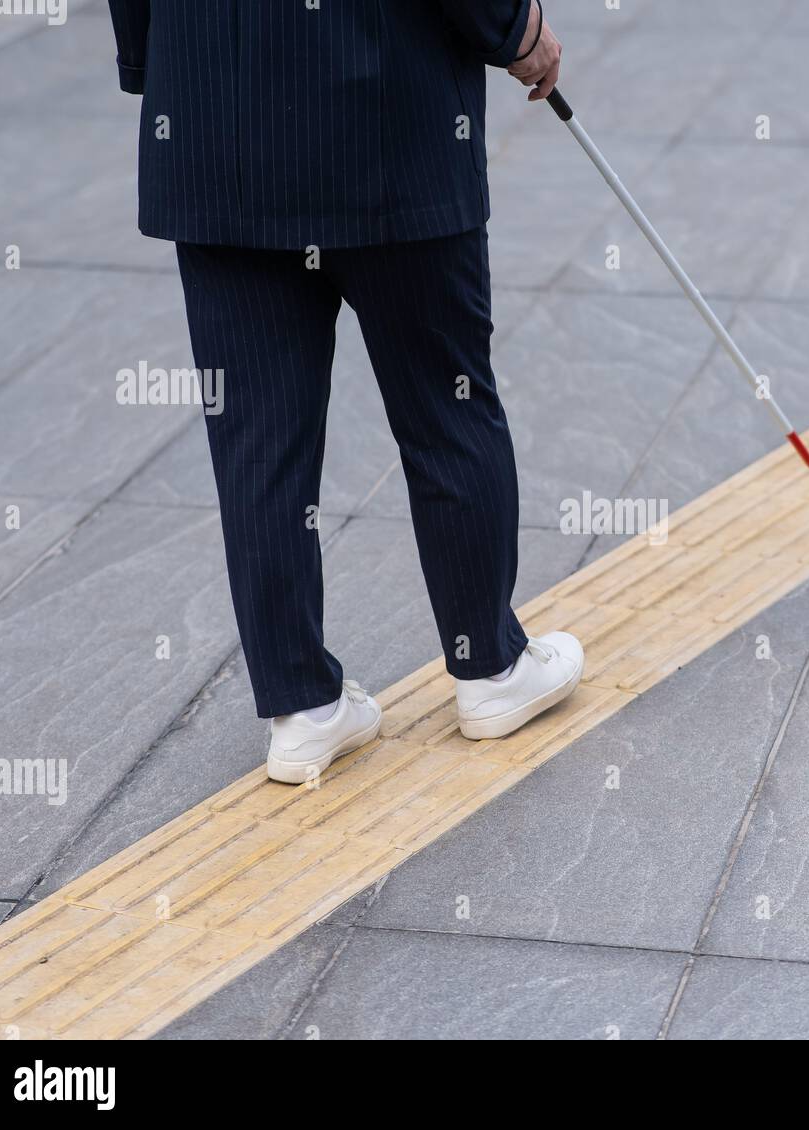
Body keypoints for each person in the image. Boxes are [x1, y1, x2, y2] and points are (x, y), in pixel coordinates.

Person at [106, 0, 583, 784]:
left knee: (257, 438)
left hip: (213, 120)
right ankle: (490, 672)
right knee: (445, 404)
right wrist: (514, 28)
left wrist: (148, 61)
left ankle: (303, 710)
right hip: (390, 113)